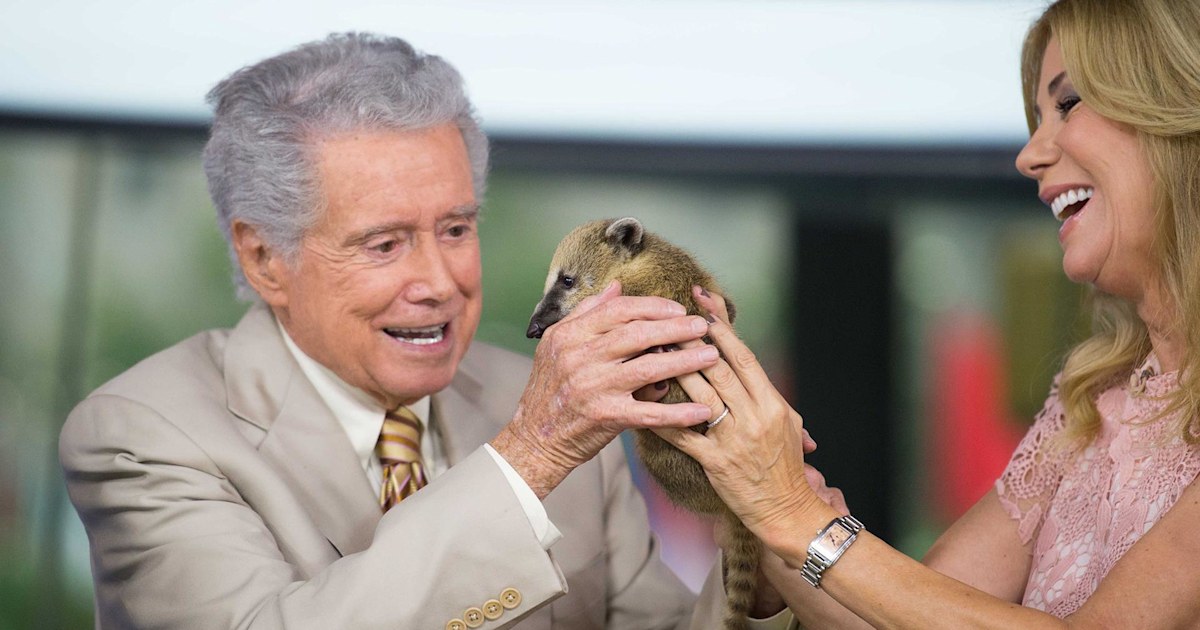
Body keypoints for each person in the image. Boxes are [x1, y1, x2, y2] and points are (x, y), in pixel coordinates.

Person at [59, 33, 789, 629]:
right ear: (264, 259)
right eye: (385, 244)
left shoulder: (551, 410)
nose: (441, 281)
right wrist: (529, 457)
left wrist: (758, 575)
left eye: (456, 228)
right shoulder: (139, 434)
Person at [658, 0, 1200, 627]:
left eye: (1069, 103)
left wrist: (793, 517)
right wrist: (748, 485)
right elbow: (903, 615)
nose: (1030, 156)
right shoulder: (1094, 403)